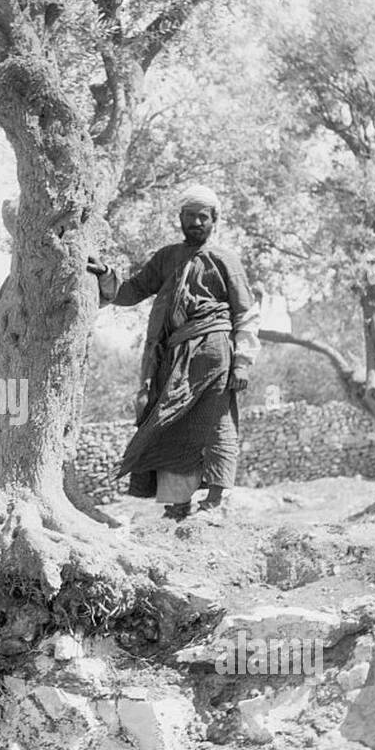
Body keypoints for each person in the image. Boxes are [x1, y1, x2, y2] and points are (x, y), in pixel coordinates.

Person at [87, 185, 260, 521]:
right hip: (173, 357)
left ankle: (213, 502)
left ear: (214, 220)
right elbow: (132, 290)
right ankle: (177, 505)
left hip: (215, 352)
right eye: (189, 216)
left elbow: (246, 313)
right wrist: (106, 274)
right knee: (169, 421)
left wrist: (242, 363)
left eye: (203, 216)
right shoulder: (167, 257)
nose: (196, 222)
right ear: (180, 219)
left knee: (216, 423)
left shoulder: (226, 259)